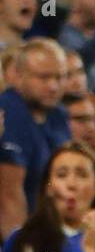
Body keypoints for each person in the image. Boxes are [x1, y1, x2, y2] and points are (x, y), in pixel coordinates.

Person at [0, 38, 70, 236]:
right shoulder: (9, 112)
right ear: (18, 76)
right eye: (43, 77)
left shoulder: (59, 114)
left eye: (60, 77)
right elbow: (9, 197)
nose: (53, 86)